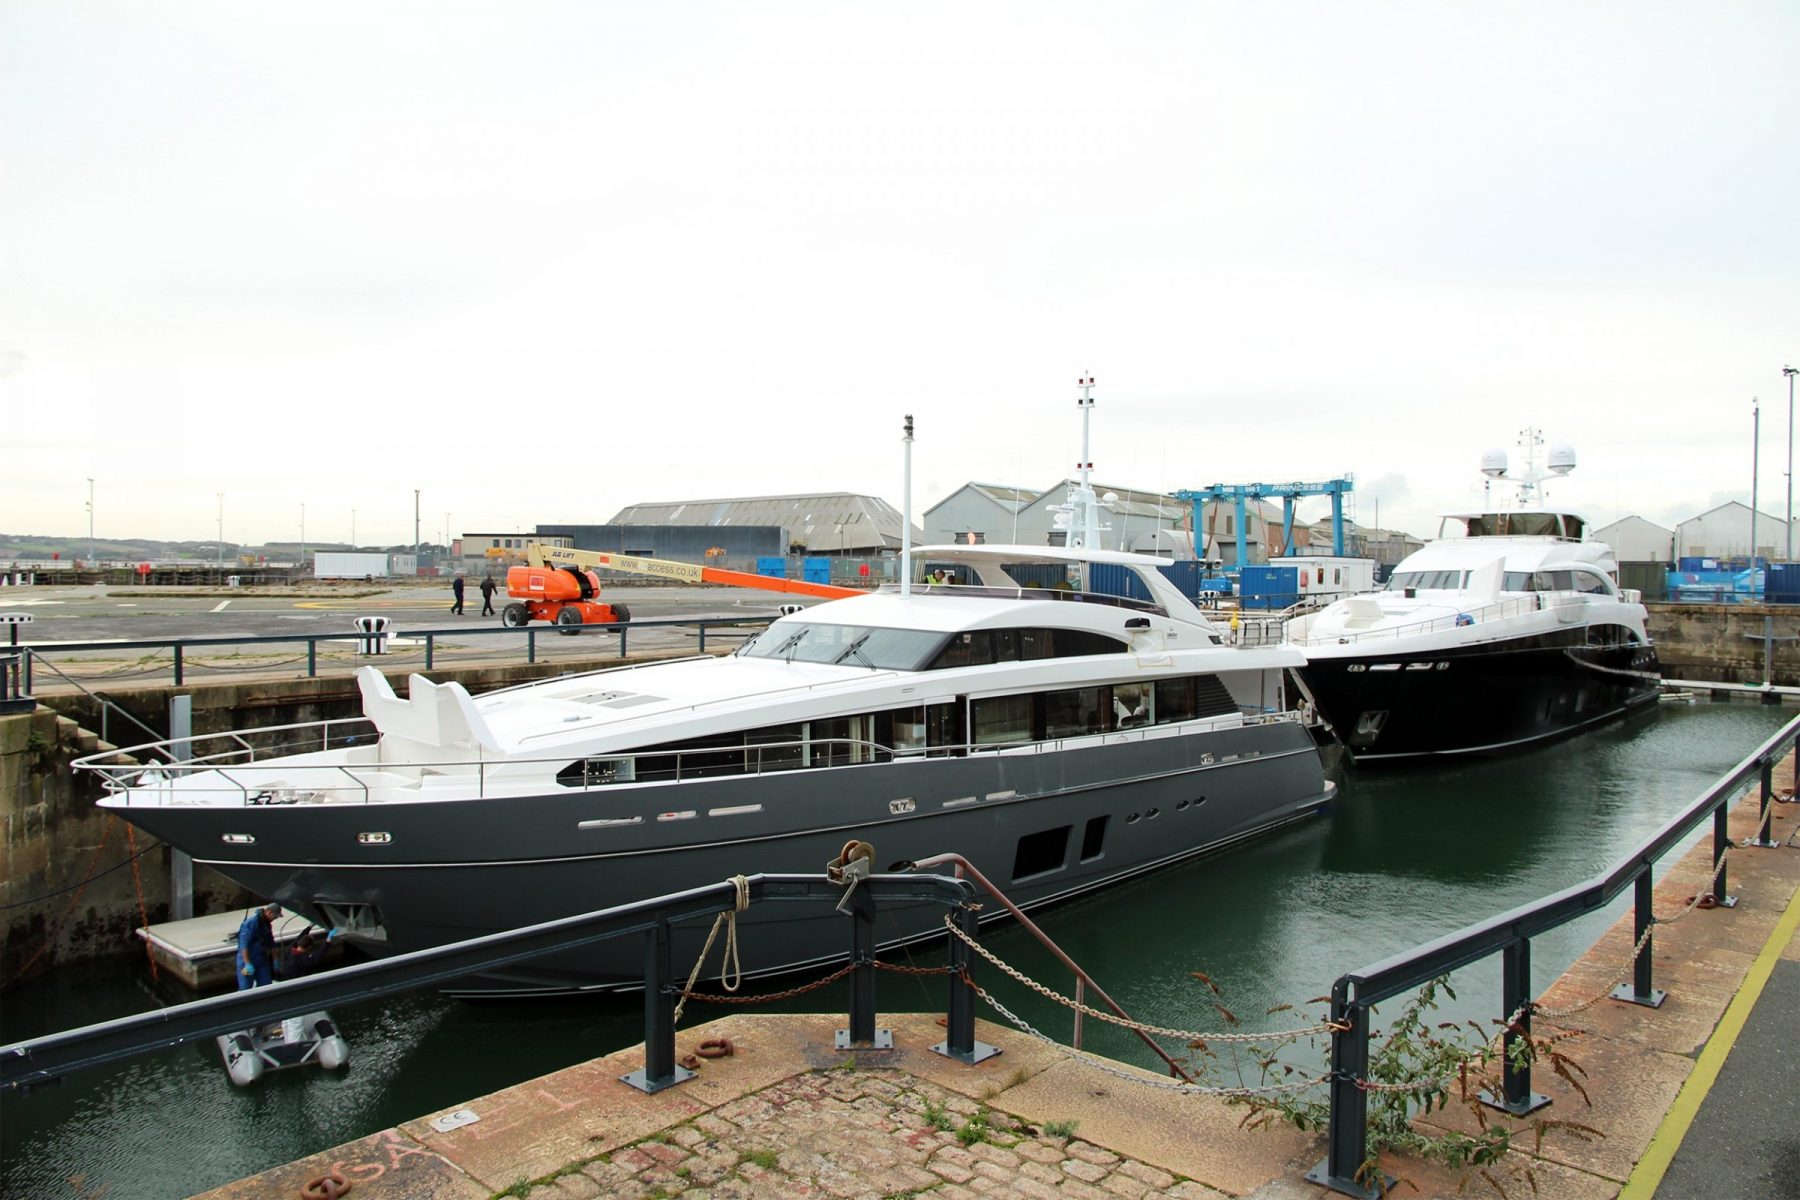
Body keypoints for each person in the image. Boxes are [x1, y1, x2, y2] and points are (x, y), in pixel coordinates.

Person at [235, 902, 281, 990]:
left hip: (261, 959)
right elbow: (243, 944)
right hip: (247, 960)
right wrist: (247, 963)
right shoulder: (251, 923)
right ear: (269, 912)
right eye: (275, 916)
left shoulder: (267, 925)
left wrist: (276, 959)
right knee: (245, 988)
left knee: (266, 985)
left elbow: (271, 942)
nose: (275, 919)